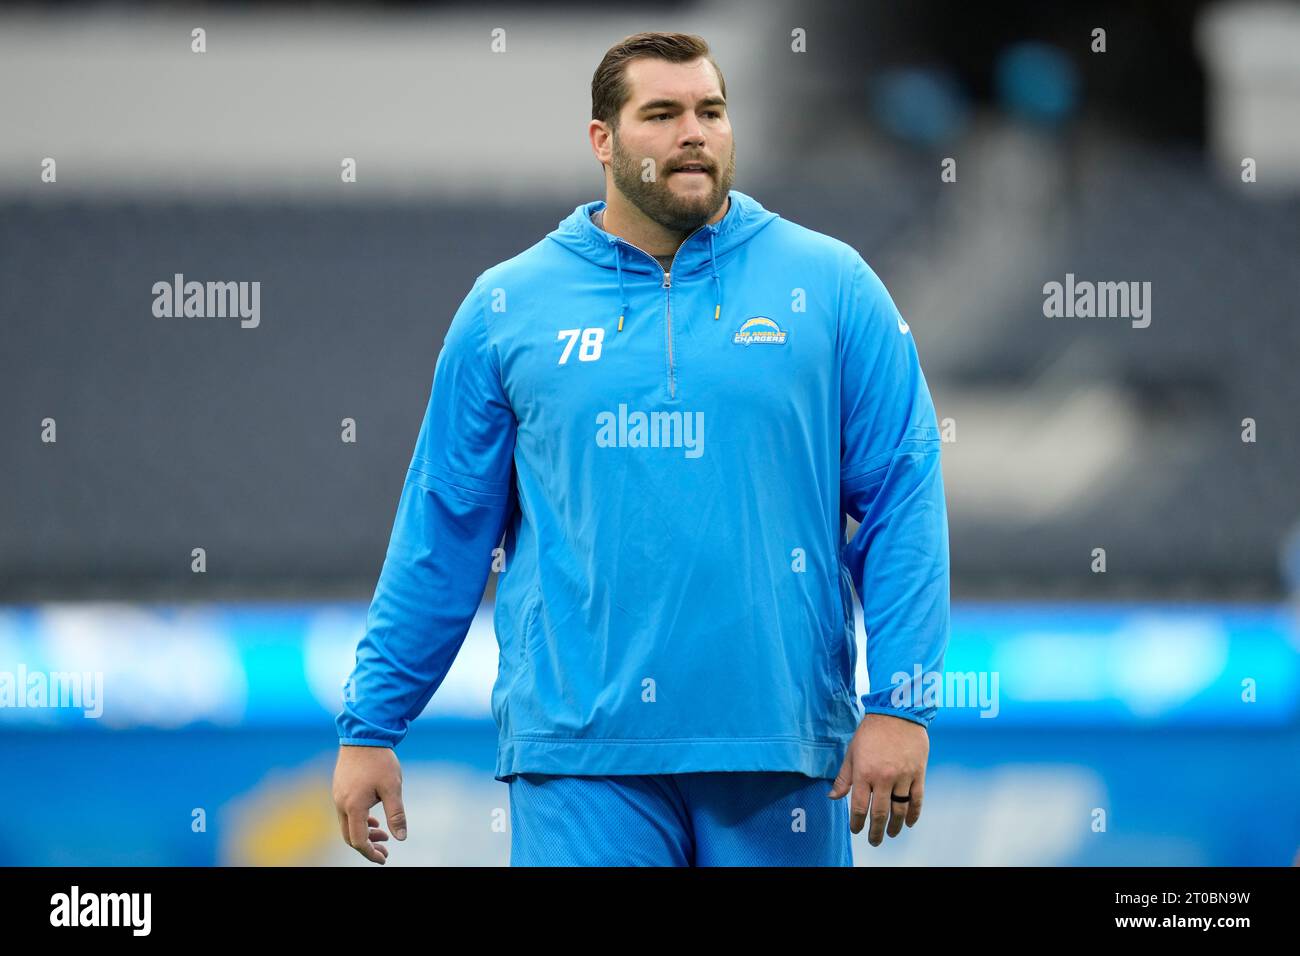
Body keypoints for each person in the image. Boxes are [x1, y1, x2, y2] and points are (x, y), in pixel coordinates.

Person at [333, 31, 950, 866]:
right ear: (603, 140)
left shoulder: (833, 287)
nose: (693, 132)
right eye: (661, 113)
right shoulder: (509, 307)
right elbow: (444, 528)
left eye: (711, 111)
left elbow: (903, 497)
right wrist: (372, 725)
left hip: (777, 742)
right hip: (581, 756)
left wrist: (901, 703)